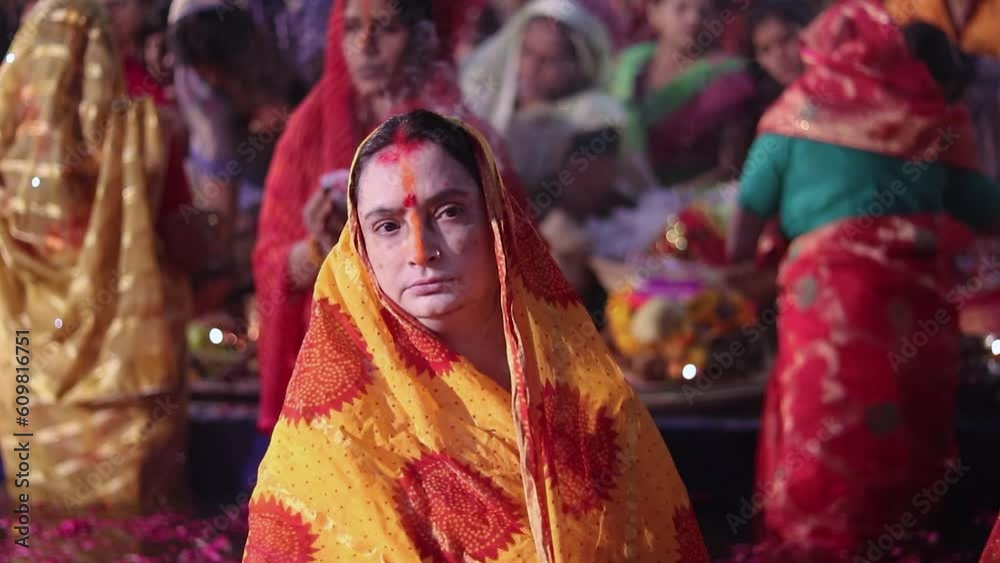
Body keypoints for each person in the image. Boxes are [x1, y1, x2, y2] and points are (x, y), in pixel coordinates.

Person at [244, 109, 709, 562]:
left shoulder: (593, 408)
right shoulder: (334, 440)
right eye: (387, 226)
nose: (420, 251)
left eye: (448, 212)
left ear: (497, 220)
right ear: (360, 250)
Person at [725, 0, 1000, 557]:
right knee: (904, 427)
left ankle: (819, 543)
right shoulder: (922, 118)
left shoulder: (794, 114)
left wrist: (744, 262)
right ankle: (904, 542)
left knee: (825, 427)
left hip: (825, 303)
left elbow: (745, 218)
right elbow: (985, 208)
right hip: (912, 307)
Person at [253, 0, 519, 443]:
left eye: (386, 28)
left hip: (446, 363)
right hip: (340, 369)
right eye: (352, 28)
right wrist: (320, 248)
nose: (366, 46)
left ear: (420, 39)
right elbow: (271, 260)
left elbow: (508, 253)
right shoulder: (307, 131)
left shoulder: (457, 136)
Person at [0, 0, 200, 513]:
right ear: (102, 51)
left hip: (26, 379)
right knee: (135, 533)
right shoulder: (145, 135)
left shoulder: (7, 157)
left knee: (45, 529)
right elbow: (188, 246)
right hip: (129, 379)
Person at [462, 0, 655, 197]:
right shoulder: (493, 102)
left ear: (579, 66)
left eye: (549, 59)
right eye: (527, 52)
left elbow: (568, 209)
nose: (532, 68)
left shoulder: (595, 117)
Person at [611, 0, 756, 188]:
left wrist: (667, 202)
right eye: (681, 8)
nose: (693, 19)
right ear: (654, 13)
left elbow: (730, 168)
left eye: (704, 12)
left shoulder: (729, 80)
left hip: (693, 202)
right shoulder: (626, 66)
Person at [744, 0, 815, 120]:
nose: (779, 55)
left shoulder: (846, 84)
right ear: (759, 61)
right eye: (766, 49)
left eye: (785, 39)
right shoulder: (772, 121)